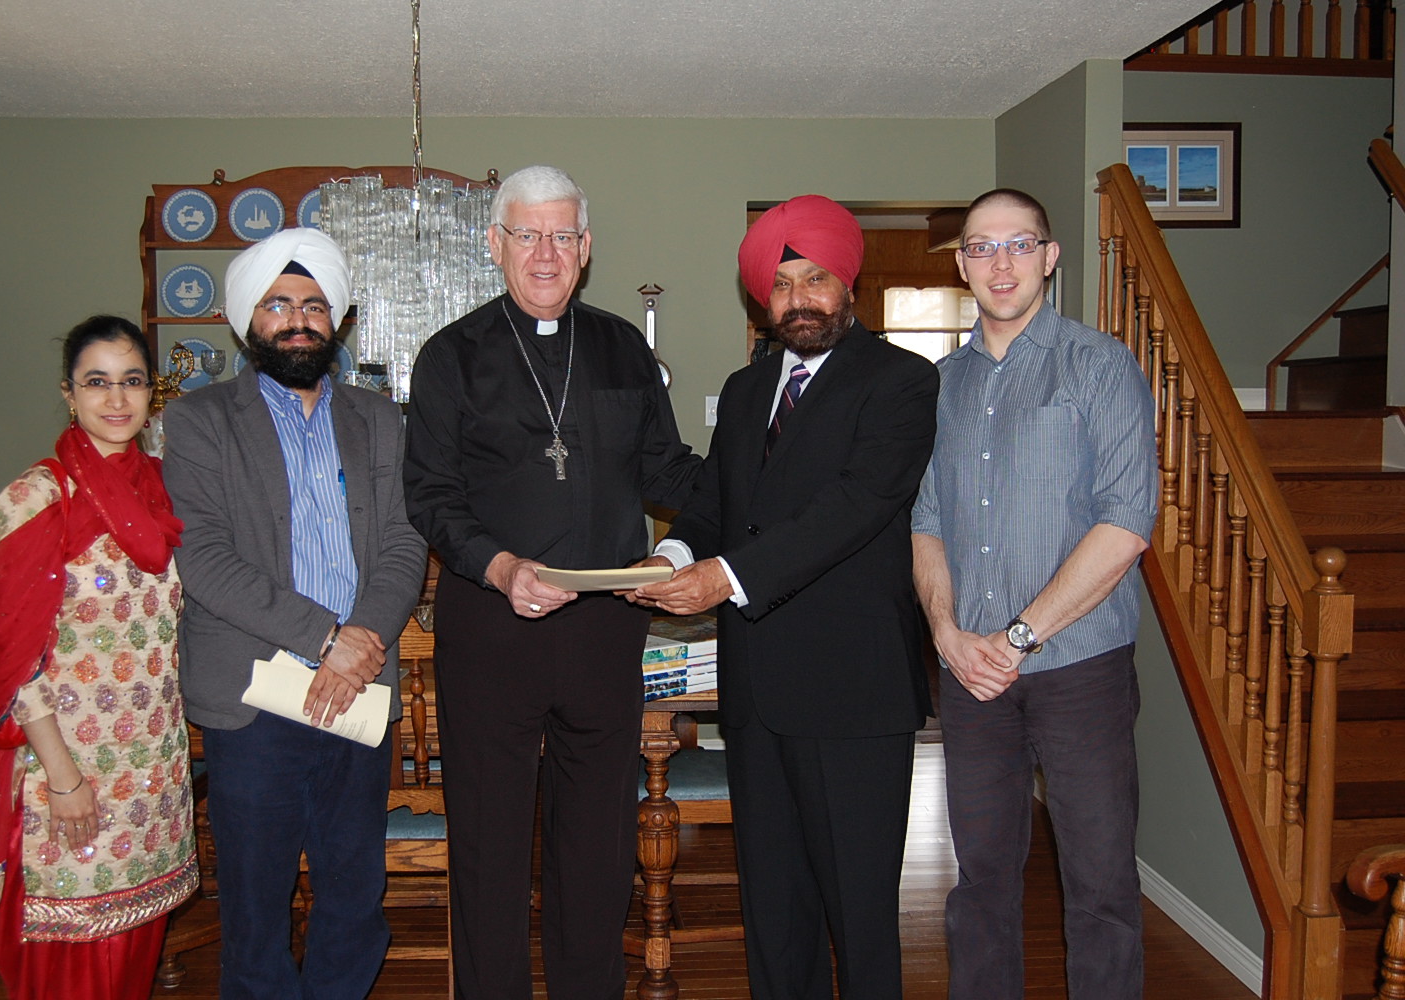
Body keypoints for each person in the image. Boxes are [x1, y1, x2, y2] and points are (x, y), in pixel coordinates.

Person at [403, 164, 700, 999]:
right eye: (526, 234)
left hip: (604, 630)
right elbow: (428, 494)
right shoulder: (450, 356)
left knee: (598, 844)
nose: (545, 252)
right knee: (491, 842)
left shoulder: (622, 348)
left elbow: (667, 469)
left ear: (587, 248)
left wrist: (756, 487)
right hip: (492, 627)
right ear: (495, 245)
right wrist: (499, 566)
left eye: (562, 235)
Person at [632, 194, 940, 999]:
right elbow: (714, 501)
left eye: (815, 279)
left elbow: (856, 504)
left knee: (860, 914)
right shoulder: (744, 390)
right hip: (758, 693)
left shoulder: (902, 382)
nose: (798, 298)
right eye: (780, 285)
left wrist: (726, 576)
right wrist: (670, 553)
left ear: (848, 285)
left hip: (854, 693)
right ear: (760, 302)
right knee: (775, 910)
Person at [162, 227, 428, 1000]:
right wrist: (326, 640)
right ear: (250, 321)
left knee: (353, 894)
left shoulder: (379, 420)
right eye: (278, 305)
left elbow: (403, 543)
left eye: (314, 305)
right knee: (254, 904)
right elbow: (204, 557)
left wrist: (360, 643)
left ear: (337, 321)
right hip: (255, 697)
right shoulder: (201, 419)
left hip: (358, 692)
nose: (298, 319)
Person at [910, 188, 1157, 999]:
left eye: (1020, 244)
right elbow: (927, 523)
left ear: (1051, 257)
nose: (1001, 262)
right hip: (971, 676)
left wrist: (1018, 638)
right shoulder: (940, 384)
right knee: (980, 884)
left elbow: (1126, 525)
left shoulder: (1100, 365)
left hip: (1080, 669)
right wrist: (947, 633)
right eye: (982, 247)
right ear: (962, 265)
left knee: (1100, 885)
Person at [0, 315, 193, 1000]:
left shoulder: (163, 489)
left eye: (131, 381)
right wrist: (62, 776)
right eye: (97, 382)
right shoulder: (35, 500)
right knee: (70, 967)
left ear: (153, 393)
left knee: (130, 961)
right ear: (68, 393)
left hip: (150, 772)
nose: (116, 399)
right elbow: (9, 660)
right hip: (67, 772)